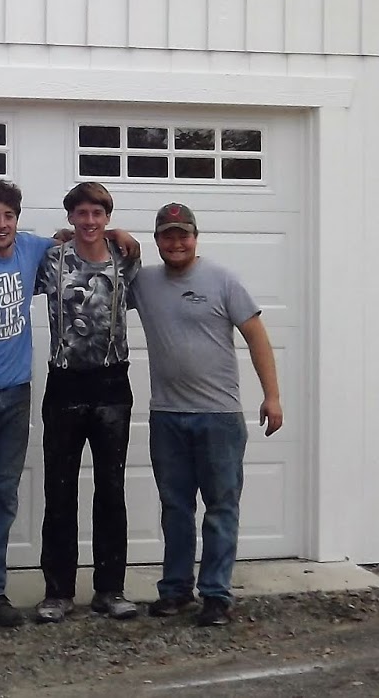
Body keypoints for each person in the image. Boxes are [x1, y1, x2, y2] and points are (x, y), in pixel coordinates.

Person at [0, 180, 137, 636]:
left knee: (3, 497)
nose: (1, 224)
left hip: (24, 395)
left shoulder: (43, 250)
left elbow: (75, 237)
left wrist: (120, 234)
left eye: (8, 216)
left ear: (18, 219)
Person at [130, 202, 282, 628]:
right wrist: (108, 237)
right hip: (167, 417)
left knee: (220, 508)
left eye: (183, 235)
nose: (176, 243)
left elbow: (257, 337)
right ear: (157, 240)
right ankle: (176, 590)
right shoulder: (143, 283)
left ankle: (216, 595)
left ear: (195, 238)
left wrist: (272, 396)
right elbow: (101, 271)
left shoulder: (222, 280)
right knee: (175, 508)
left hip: (219, 418)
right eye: (168, 235)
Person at [33, 181, 139, 623]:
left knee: (111, 490)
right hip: (64, 384)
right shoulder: (52, 260)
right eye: (82, 213)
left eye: (98, 213)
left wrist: (121, 235)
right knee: (59, 491)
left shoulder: (125, 257)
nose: (89, 221)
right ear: (71, 217)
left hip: (112, 384)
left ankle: (110, 589)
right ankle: (58, 592)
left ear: (107, 217)